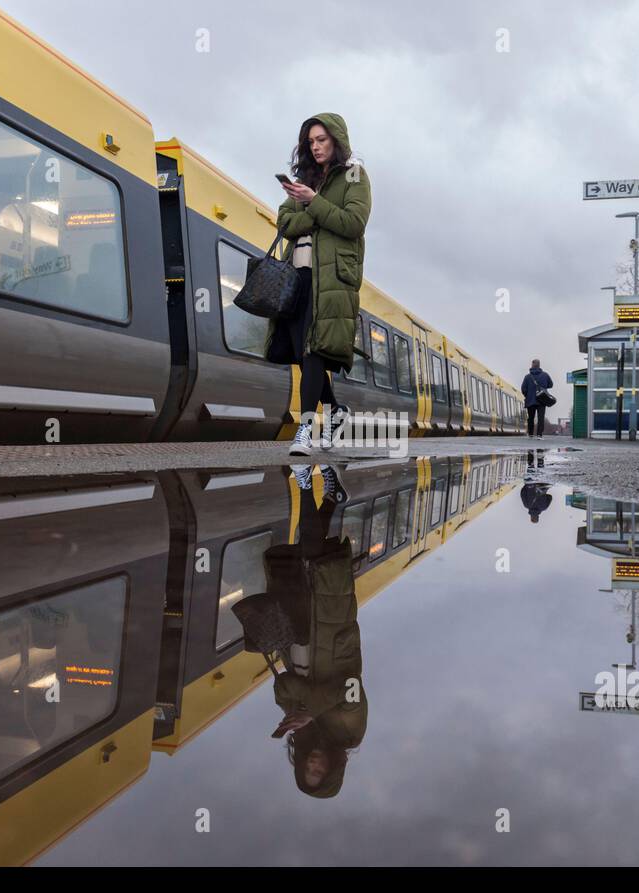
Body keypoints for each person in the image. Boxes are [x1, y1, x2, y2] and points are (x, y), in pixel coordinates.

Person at [232, 464, 367, 797]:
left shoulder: (301, 729)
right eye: (320, 771)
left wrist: (300, 707)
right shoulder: (350, 732)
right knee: (313, 554)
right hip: (331, 624)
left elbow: (283, 688)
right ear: (334, 768)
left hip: (296, 636)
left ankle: (331, 495)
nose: (314, 764)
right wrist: (309, 711)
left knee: (303, 557)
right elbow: (350, 687)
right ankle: (304, 478)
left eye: (308, 768)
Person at [265, 113, 372, 456]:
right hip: (297, 279)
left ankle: (306, 429)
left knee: (313, 352)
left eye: (322, 140)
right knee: (303, 353)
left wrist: (312, 202)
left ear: (337, 139)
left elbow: (353, 223)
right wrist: (311, 204)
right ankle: (337, 409)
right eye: (310, 142)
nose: (316, 147)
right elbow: (285, 220)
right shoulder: (304, 179)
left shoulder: (354, 174)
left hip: (330, 280)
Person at [521, 359, 554, 438]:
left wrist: (528, 395)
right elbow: (551, 385)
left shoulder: (527, 377)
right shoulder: (545, 375)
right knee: (541, 418)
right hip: (542, 400)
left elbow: (523, 389)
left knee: (531, 418)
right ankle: (539, 434)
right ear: (539, 365)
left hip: (530, 401)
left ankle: (531, 434)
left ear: (532, 365)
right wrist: (544, 388)